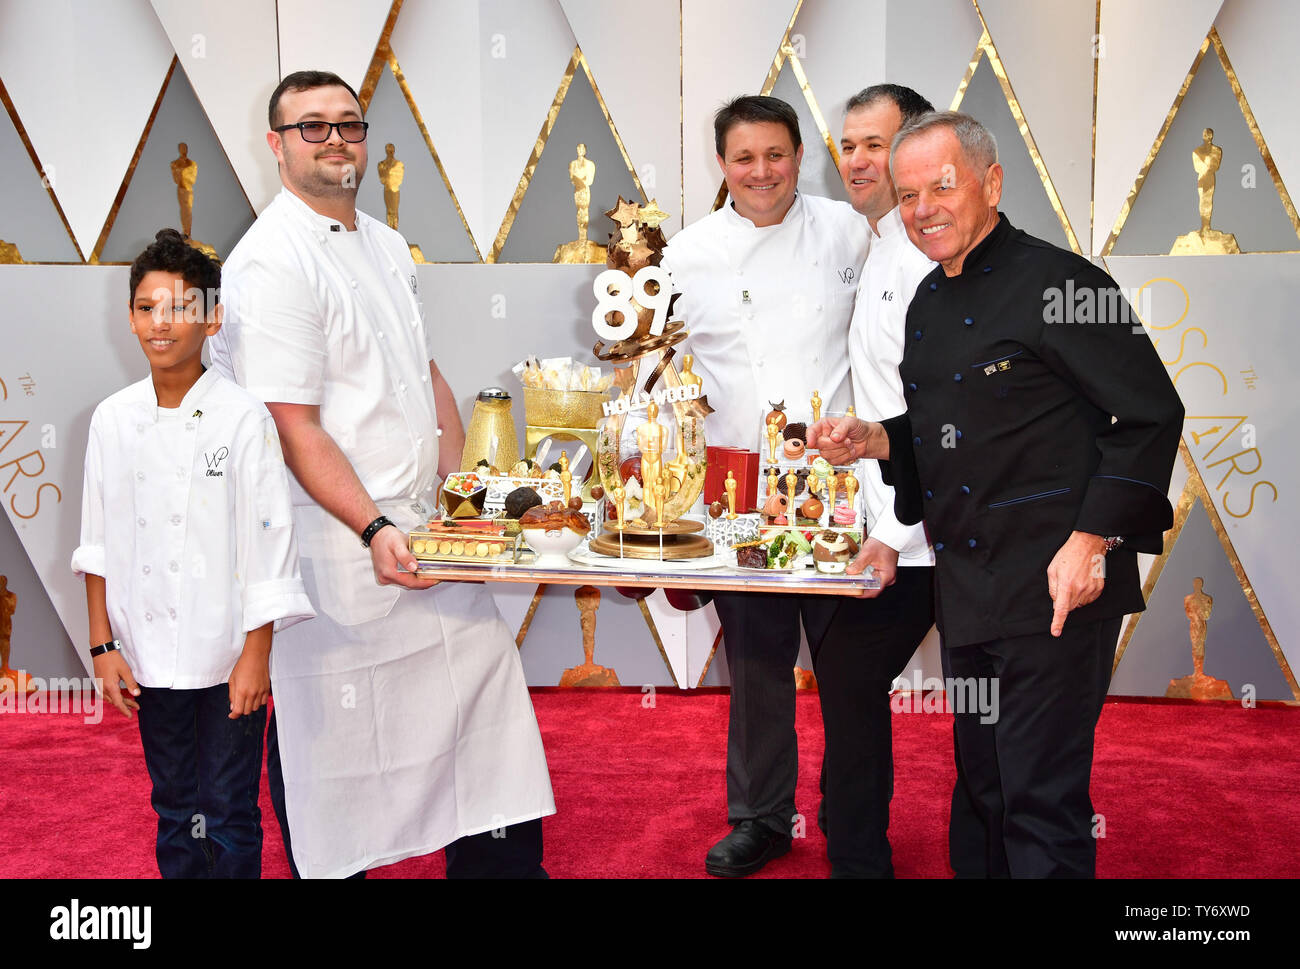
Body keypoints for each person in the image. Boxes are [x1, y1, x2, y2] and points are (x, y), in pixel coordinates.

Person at [809, 111, 1184, 877]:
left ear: (991, 182)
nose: (923, 210)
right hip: (969, 589)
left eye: (941, 187)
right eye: (907, 194)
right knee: (984, 784)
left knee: (1038, 794)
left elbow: (1149, 412)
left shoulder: (1068, 284)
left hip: (1057, 584)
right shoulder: (930, 302)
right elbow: (958, 431)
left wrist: (1094, 541)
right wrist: (878, 439)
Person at [209, 70, 554, 879]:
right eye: (311, 127)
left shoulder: (388, 242)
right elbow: (290, 423)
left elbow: (421, 371)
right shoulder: (269, 262)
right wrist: (373, 525)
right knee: (336, 761)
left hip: (428, 532)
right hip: (340, 552)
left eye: (349, 124)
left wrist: (468, 492)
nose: (335, 139)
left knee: (489, 728)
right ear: (277, 146)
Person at [660, 95, 869, 877]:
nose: (761, 173)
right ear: (721, 163)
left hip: (836, 485)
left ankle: (855, 824)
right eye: (744, 158)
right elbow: (664, 375)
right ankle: (760, 817)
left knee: (849, 671)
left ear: (799, 156)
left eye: (775, 155)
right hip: (738, 490)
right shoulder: (686, 254)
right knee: (754, 663)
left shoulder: (850, 233)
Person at [72, 228, 315, 877]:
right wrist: (103, 645)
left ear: (212, 318)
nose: (162, 323)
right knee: (176, 804)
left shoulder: (243, 417)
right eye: (148, 308)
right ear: (130, 317)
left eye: (181, 307)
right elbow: (97, 539)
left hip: (227, 649)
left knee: (230, 806)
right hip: (149, 650)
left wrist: (256, 653)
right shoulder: (113, 419)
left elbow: (269, 538)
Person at [808, 84, 937, 878]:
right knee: (848, 684)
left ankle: (858, 852)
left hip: (927, 533)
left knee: (853, 680)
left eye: (874, 144)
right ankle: (853, 841)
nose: (856, 159)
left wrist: (894, 536)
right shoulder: (877, 244)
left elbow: (938, 417)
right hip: (888, 520)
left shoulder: (927, 254)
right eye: (847, 144)